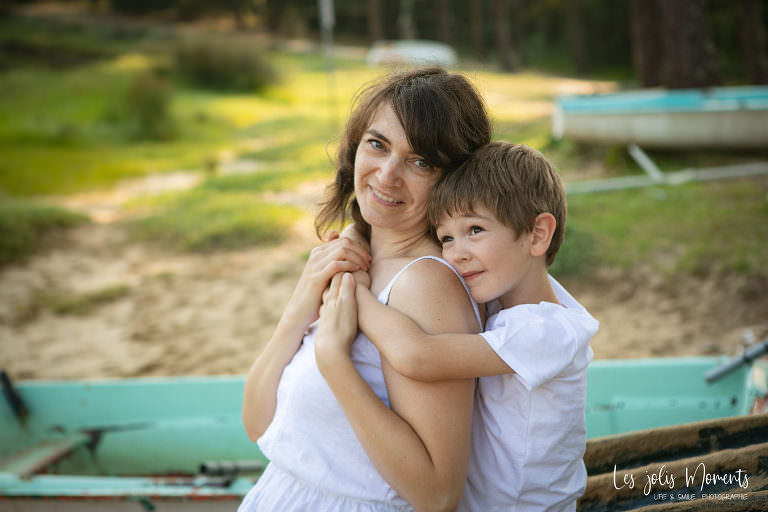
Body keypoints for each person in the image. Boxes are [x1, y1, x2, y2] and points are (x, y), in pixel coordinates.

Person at [238, 67, 491, 511]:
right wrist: (299, 307)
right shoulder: (349, 260)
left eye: (421, 161)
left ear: (453, 178)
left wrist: (335, 362)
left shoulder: (424, 286)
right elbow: (260, 426)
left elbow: (439, 493)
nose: (387, 174)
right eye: (378, 144)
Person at [320, 142, 599, 511]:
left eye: (475, 230)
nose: (456, 253)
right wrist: (357, 236)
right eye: (446, 237)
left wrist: (355, 293)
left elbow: (418, 356)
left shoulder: (548, 332)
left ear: (537, 235)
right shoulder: (512, 290)